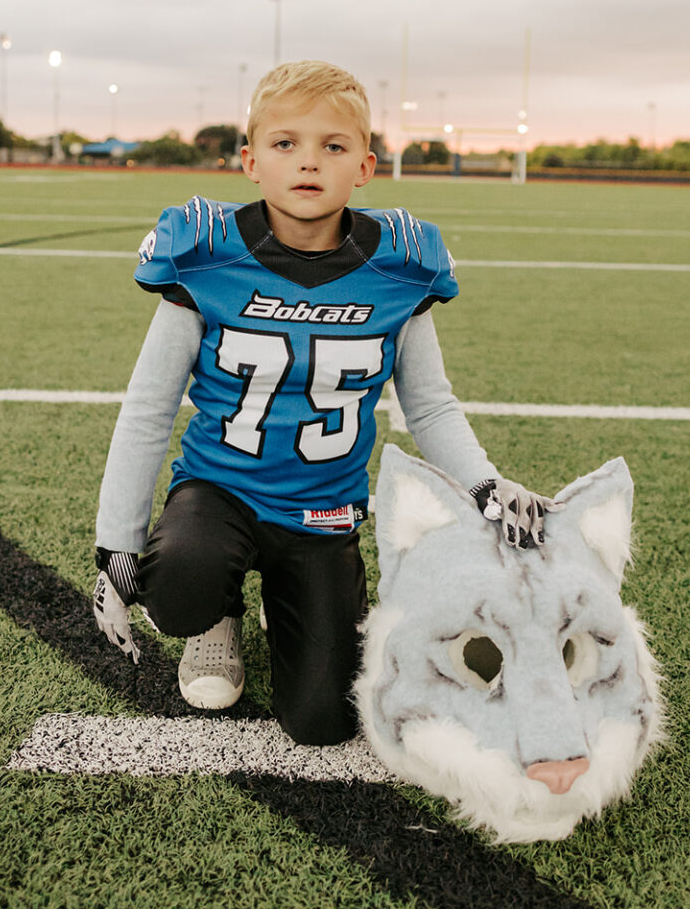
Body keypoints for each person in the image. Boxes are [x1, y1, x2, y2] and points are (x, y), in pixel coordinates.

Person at [93, 59, 553, 746]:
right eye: (286, 144)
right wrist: (115, 547)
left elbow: (428, 406)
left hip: (323, 511)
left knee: (325, 722)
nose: (308, 162)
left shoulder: (399, 267)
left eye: (332, 146)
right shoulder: (207, 254)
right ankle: (217, 614)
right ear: (250, 159)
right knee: (180, 579)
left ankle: (294, 598)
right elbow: (148, 409)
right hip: (219, 492)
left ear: (364, 166)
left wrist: (485, 483)